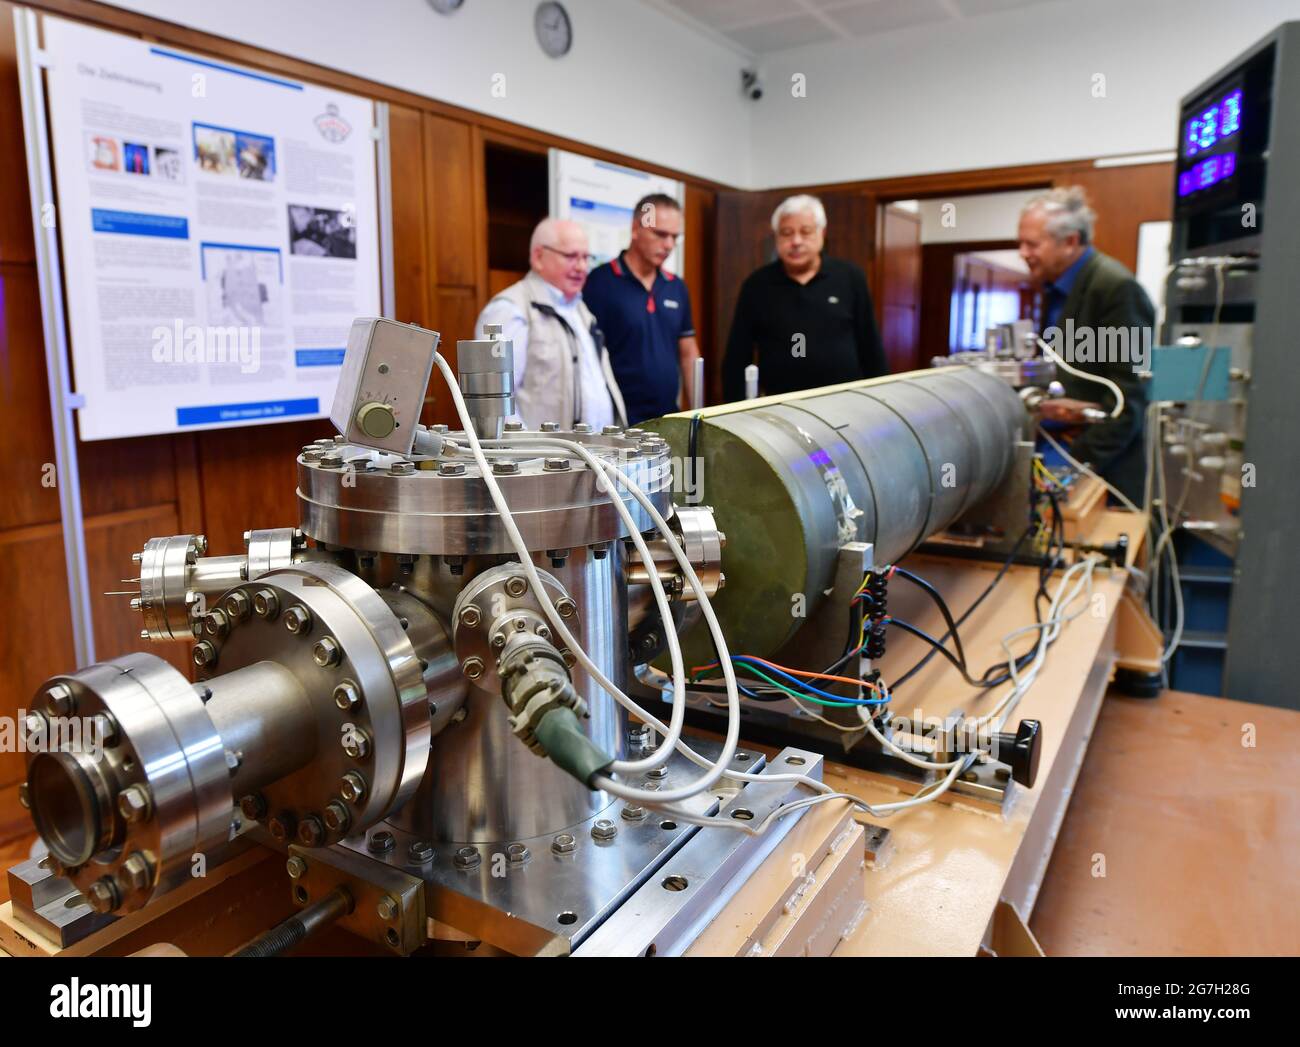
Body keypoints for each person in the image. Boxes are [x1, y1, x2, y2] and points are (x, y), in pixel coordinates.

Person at [1018, 187, 1152, 505]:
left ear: (1070, 242)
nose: (1022, 253)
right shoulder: (1053, 285)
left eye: (1032, 244)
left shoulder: (1115, 289)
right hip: (1058, 447)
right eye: (1020, 243)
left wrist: (1072, 466)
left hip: (1102, 470)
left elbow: (1127, 401)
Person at [722, 194, 886, 401]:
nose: (796, 241)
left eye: (805, 232)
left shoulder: (850, 278)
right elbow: (737, 356)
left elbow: (871, 347)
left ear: (822, 233)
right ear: (776, 237)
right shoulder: (757, 285)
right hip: (777, 406)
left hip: (843, 404)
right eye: (787, 233)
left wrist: (880, 401)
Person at [475, 218, 626, 430]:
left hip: (595, 455)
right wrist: (527, 456)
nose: (582, 267)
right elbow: (492, 404)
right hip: (545, 460)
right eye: (571, 257)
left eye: (586, 257)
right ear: (538, 257)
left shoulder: (580, 310)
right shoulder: (510, 310)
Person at [583, 193, 700, 424]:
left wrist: (698, 414)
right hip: (617, 421)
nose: (668, 245)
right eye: (660, 234)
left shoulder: (675, 286)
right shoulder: (599, 282)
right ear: (636, 229)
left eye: (675, 237)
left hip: (669, 418)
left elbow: (688, 352)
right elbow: (587, 358)